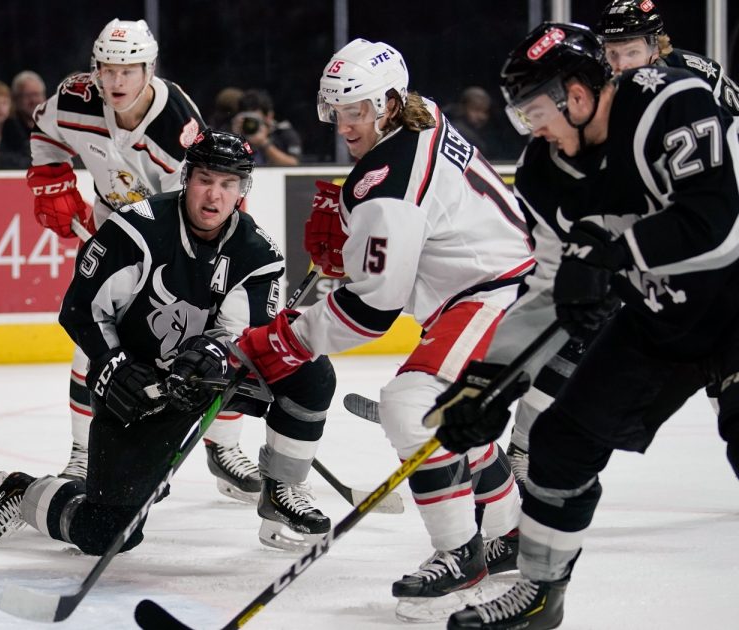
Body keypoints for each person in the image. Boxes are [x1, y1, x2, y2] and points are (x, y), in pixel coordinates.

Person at [434, 23, 739, 629]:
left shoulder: (668, 100)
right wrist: (486, 379)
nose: (530, 128)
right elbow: (549, 286)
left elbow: (716, 223)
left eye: (535, 111)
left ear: (576, 95)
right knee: (558, 449)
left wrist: (608, 251)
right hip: (662, 318)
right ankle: (542, 594)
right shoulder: (545, 174)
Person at [232, 39, 533, 621]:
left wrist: (288, 338)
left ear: (391, 104)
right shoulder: (423, 120)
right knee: (453, 415)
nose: (346, 126)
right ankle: (507, 533)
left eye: (358, 111)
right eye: (338, 111)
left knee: (411, 404)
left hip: (498, 293)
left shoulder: (387, 177)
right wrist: (352, 230)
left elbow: (374, 308)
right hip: (499, 283)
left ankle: (459, 556)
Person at [0, 130, 337, 555]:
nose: (214, 196)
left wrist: (215, 353)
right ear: (186, 177)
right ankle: (23, 492)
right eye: (205, 180)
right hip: (141, 389)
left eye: (228, 184)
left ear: (242, 190)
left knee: (309, 370)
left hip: (211, 382)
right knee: (109, 534)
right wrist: (114, 364)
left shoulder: (257, 253)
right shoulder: (135, 231)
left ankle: (282, 492)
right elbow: (81, 310)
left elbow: (243, 334)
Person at [25, 18, 264, 503]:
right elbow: (43, 129)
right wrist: (52, 175)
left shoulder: (177, 127)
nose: (115, 82)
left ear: (149, 69)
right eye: (107, 70)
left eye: (128, 71)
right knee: (95, 342)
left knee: (214, 343)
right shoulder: (75, 98)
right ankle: (84, 452)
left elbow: (203, 203)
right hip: (114, 234)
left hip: (177, 238)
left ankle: (225, 447)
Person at [596, 0, 739, 115]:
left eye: (632, 52)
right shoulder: (592, 83)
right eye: (612, 53)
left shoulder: (701, 75)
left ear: (655, 49)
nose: (621, 65)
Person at [232, 88, 301, 166]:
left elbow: (293, 164)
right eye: (247, 119)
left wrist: (264, 143)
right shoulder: (237, 135)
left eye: (255, 119)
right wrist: (237, 138)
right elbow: (248, 156)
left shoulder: (284, 133)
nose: (250, 124)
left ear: (269, 116)